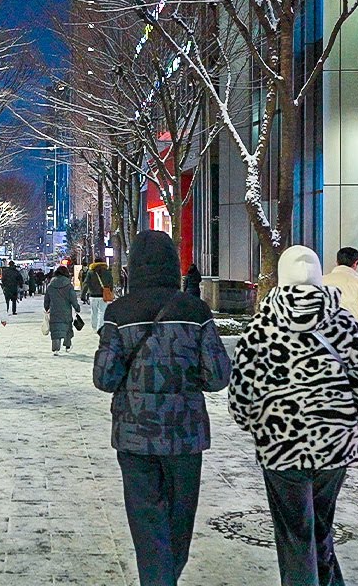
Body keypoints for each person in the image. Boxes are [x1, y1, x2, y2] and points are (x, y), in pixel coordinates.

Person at [228, 245, 358, 586]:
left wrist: (250, 421)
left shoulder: (260, 328)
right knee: (320, 526)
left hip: (280, 447)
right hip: (334, 446)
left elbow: (240, 390)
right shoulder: (344, 324)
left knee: (294, 532)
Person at [93, 230, 231, 586]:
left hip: (135, 436)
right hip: (185, 436)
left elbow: (105, 377)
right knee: (179, 521)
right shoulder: (195, 311)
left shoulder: (119, 312)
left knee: (146, 523)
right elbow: (218, 376)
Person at [44, 265, 81, 354]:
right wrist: (77, 307)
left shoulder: (50, 285)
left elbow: (47, 299)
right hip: (66, 311)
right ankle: (67, 345)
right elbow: (73, 299)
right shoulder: (68, 285)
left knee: (55, 329)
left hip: (54, 311)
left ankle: (56, 348)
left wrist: (46, 307)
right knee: (67, 328)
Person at [80, 258, 112, 333]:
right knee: (102, 312)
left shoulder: (90, 272)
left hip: (93, 295)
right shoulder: (107, 272)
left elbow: (86, 284)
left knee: (94, 312)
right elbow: (111, 282)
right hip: (103, 295)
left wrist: (83, 295)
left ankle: (94, 326)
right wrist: (109, 291)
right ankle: (99, 327)